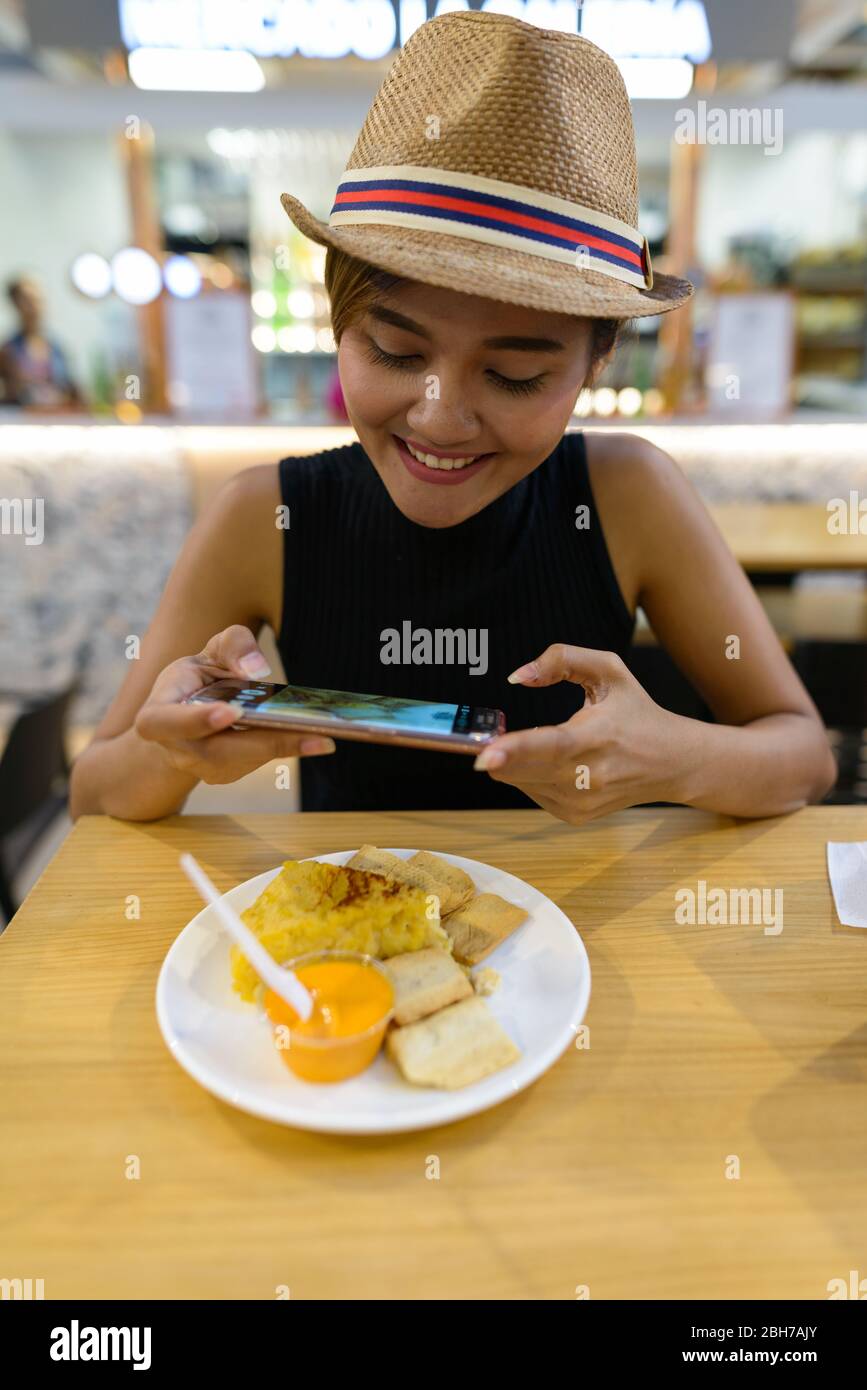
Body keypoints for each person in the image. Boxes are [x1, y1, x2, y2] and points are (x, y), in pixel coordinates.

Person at [69, 11, 836, 824]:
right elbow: (93, 794)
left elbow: (802, 756)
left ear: (595, 363)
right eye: (396, 353)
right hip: (345, 932)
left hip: (587, 940)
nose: (439, 419)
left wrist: (676, 759)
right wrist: (176, 750)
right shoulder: (265, 516)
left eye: (514, 375)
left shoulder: (628, 494)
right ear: (339, 324)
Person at [0, 275, 81, 409]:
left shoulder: (56, 349)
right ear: (16, 305)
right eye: (27, 300)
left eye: (37, 299)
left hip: (55, 419)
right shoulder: (8, 351)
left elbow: (70, 389)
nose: (35, 306)